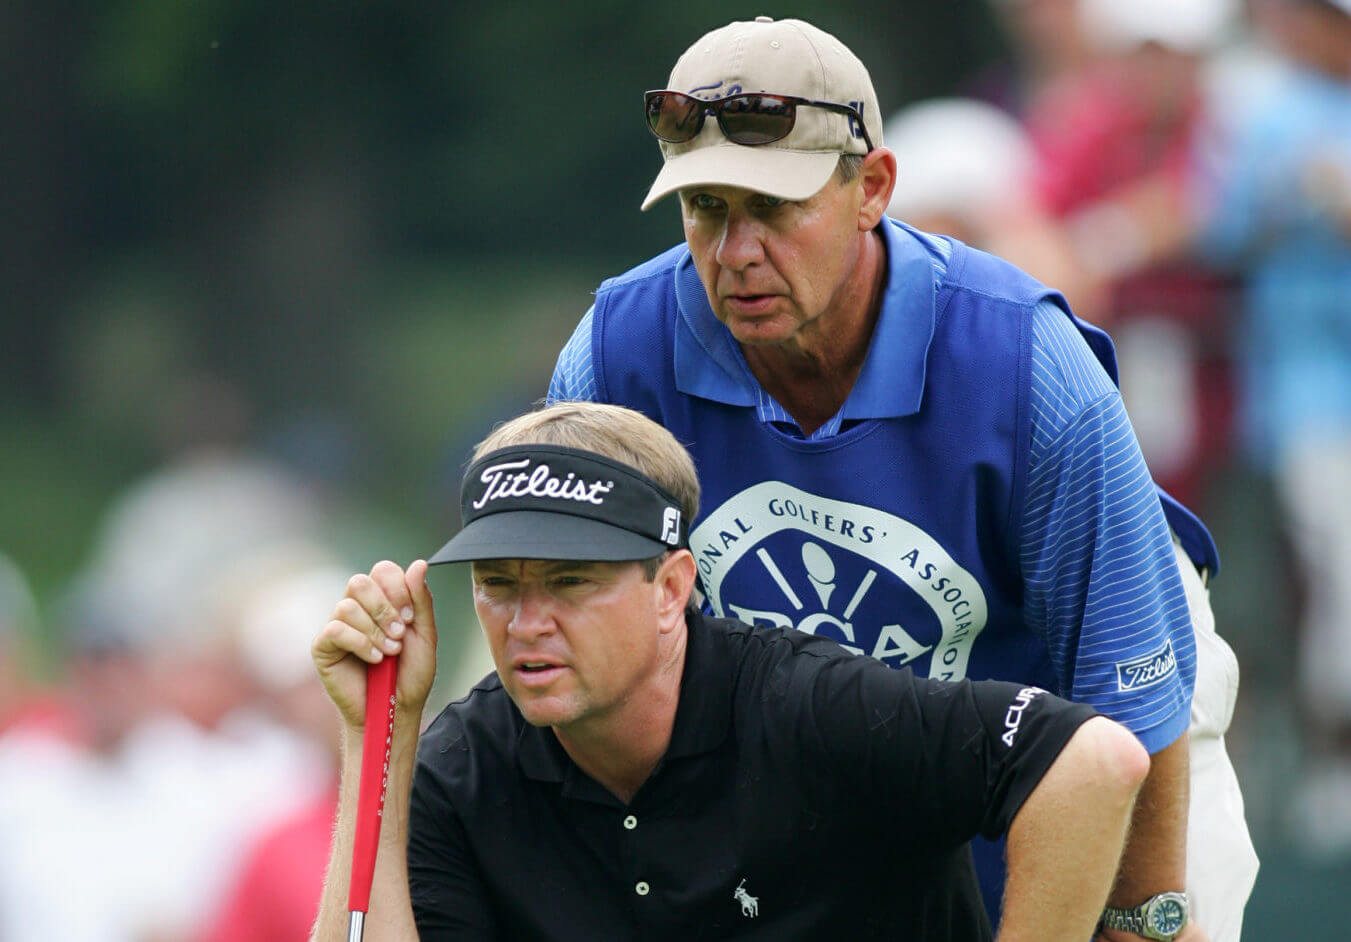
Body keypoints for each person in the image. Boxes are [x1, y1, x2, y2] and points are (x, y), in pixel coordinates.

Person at [546, 16, 1256, 939]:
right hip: (813, 759)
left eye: (773, 208)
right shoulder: (613, 359)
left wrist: (1146, 917)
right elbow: (571, 638)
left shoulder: (1024, 365)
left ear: (870, 188)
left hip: (1109, 696)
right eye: (708, 209)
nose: (734, 252)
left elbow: (1131, 691)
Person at [309, 401, 1151, 941]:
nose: (527, 623)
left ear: (672, 587)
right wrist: (376, 736)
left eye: (570, 583)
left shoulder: (812, 706)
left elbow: (1091, 762)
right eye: (498, 587)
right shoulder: (463, 765)